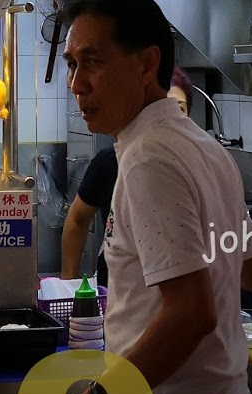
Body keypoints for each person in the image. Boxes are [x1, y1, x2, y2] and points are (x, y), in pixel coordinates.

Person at [54, 0, 252, 394]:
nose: (78, 84)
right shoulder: (202, 145)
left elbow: (190, 314)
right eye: (73, 65)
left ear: (147, 63)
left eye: (94, 62)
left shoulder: (149, 159)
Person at [61, 67, 193, 289]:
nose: (168, 118)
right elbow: (77, 219)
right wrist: (67, 285)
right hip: (116, 291)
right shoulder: (112, 162)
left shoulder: (197, 164)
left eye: (179, 108)